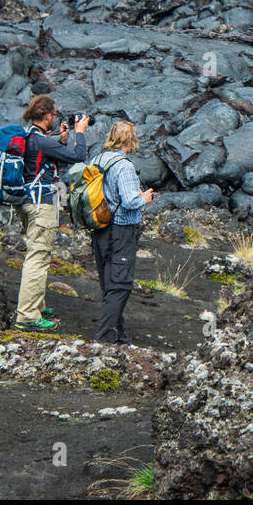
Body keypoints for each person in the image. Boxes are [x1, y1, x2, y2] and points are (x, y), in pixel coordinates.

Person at [15, 96, 88, 330]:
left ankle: (36, 305)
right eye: (55, 115)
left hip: (27, 201)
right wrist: (80, 132)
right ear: (47, 116)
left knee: (37, 253)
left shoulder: (30, 136)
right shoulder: (44, 142)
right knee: (38, 258)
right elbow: (78, 157)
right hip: (42, 203)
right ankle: (28, 316)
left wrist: (61, 138)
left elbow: (48, 155)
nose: (56, 118)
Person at [90, 120, 153, 345]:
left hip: (99, 228)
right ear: (130, 140)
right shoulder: (124, 165)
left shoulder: (98, 159)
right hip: (121, 230)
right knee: (120, 285)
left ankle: (119, 336)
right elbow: (129, 201)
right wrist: (144, 198)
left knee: (109, 282)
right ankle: (104, 338)